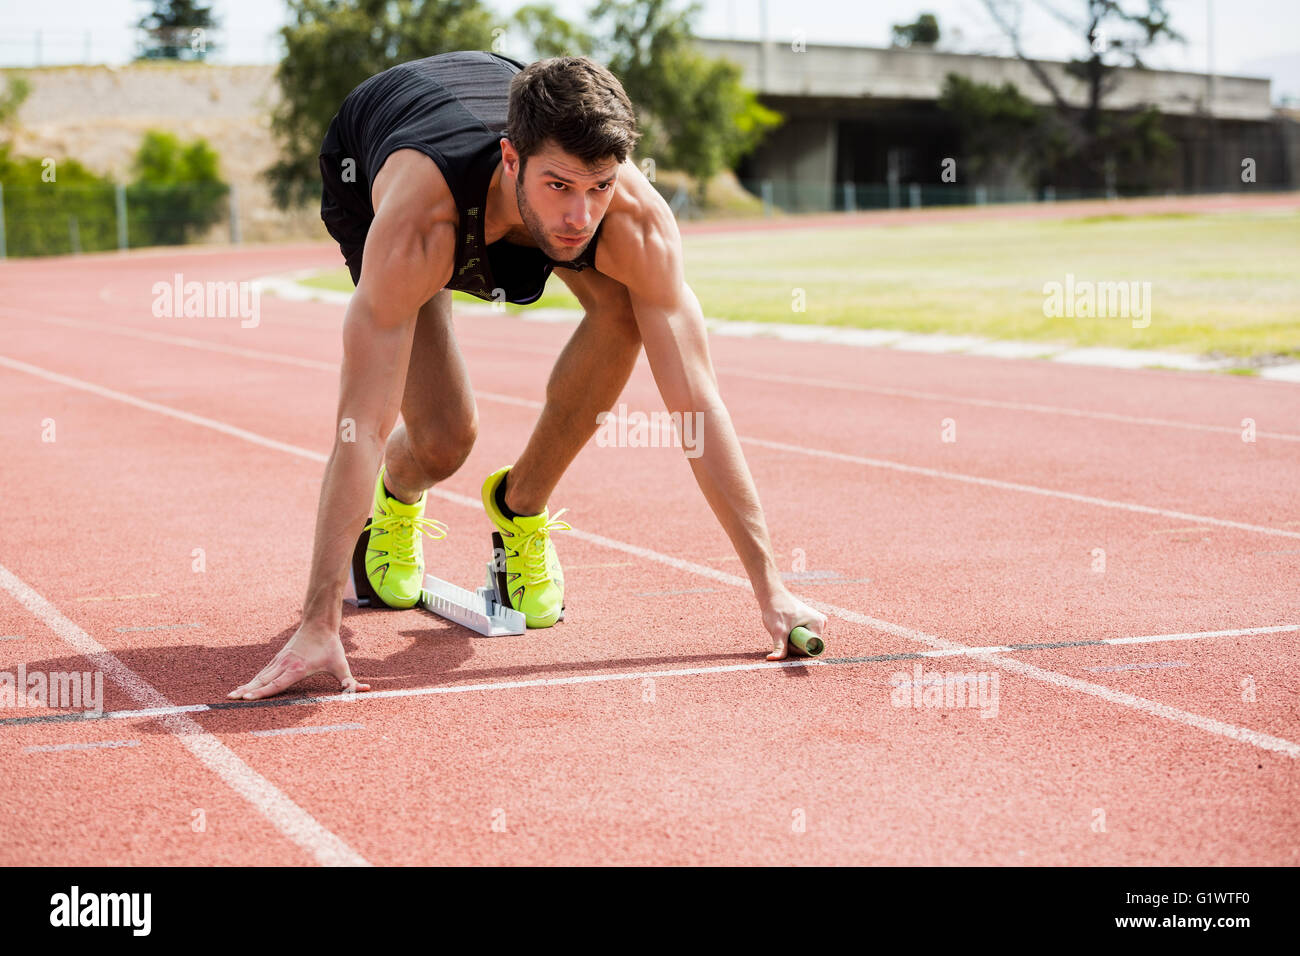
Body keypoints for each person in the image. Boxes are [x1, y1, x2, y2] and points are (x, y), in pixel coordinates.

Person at [229, 51, 826, 701]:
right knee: (443, 439)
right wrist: (319, 621)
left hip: (493, 118)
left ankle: (521, 505)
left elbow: (695, 403)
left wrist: (772, 589)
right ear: (512, 159)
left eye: (600, 186)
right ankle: (395, 501)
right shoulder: (417, 225)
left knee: (624, 309)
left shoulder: (633, 220)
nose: (580, 217)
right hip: (388, 154)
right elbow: (362, 426)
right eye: (560, 186)